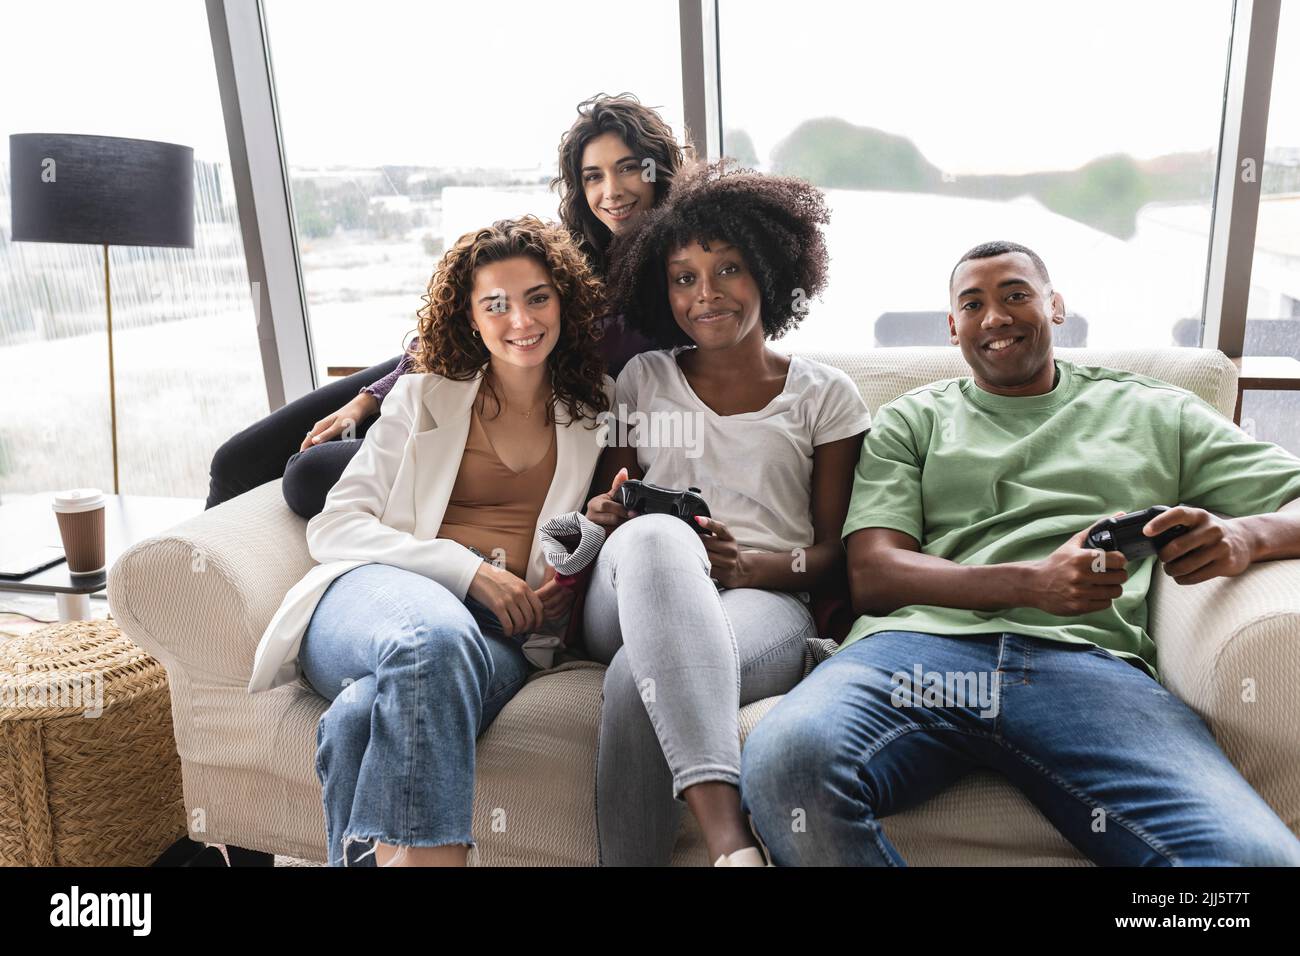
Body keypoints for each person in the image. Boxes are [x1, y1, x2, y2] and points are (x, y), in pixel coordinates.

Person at [740, 239, 1300, 866]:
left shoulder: (1156, 410)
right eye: (973, 304)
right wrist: (1032, 583)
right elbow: (872, 573)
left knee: (1254, 863)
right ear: (953, 329)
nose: (996, 317)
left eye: (1015, 295)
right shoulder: (911, 420)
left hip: (1087, 665)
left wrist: (1245, 537)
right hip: (912, 653)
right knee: (787, 765)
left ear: (1055, 305)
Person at [246, 217, 613, 866]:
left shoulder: (596, 408)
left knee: (364, 716)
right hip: (379, 595)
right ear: (470, 318)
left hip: (505, 635)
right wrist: (465, 569)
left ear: (564, 301)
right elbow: (336, 526)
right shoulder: (422, 398)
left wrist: (568, 571)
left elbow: (583, 531)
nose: (519, 319)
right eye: (494, 304)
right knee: (433, 638)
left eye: (536, 297)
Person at [582, 160, 870, 866]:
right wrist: (604, 514)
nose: (704, 294)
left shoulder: (825, 397)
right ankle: (730, 843)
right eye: (683, 277)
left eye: (728, 270)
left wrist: (757, 565)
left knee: (633, 679)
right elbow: (606, 505)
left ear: (770, 274)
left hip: (761, 599)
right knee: (653, 533)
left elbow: (839, 558)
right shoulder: (641, 379)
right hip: (628, 588)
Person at [204, 93, 683, 515]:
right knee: (235, 462)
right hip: (435, 364)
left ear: (656, 171)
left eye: (626, 169)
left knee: (307, 475)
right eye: (593, 175)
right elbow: (454, 330)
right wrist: (368, 399)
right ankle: (165, 600)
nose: (611, 191)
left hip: (495, 414)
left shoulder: (678, 279)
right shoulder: (569, 249)